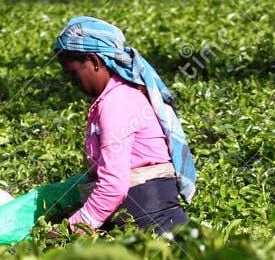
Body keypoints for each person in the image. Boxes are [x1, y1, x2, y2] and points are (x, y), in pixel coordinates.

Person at [51, 16, 197, 234]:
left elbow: (113, 186)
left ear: (94, 61)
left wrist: (70, 229)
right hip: (136, 221)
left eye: (73, 73)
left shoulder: (117, 103)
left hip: (150, 224)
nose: (72, 82)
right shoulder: (112, 99)